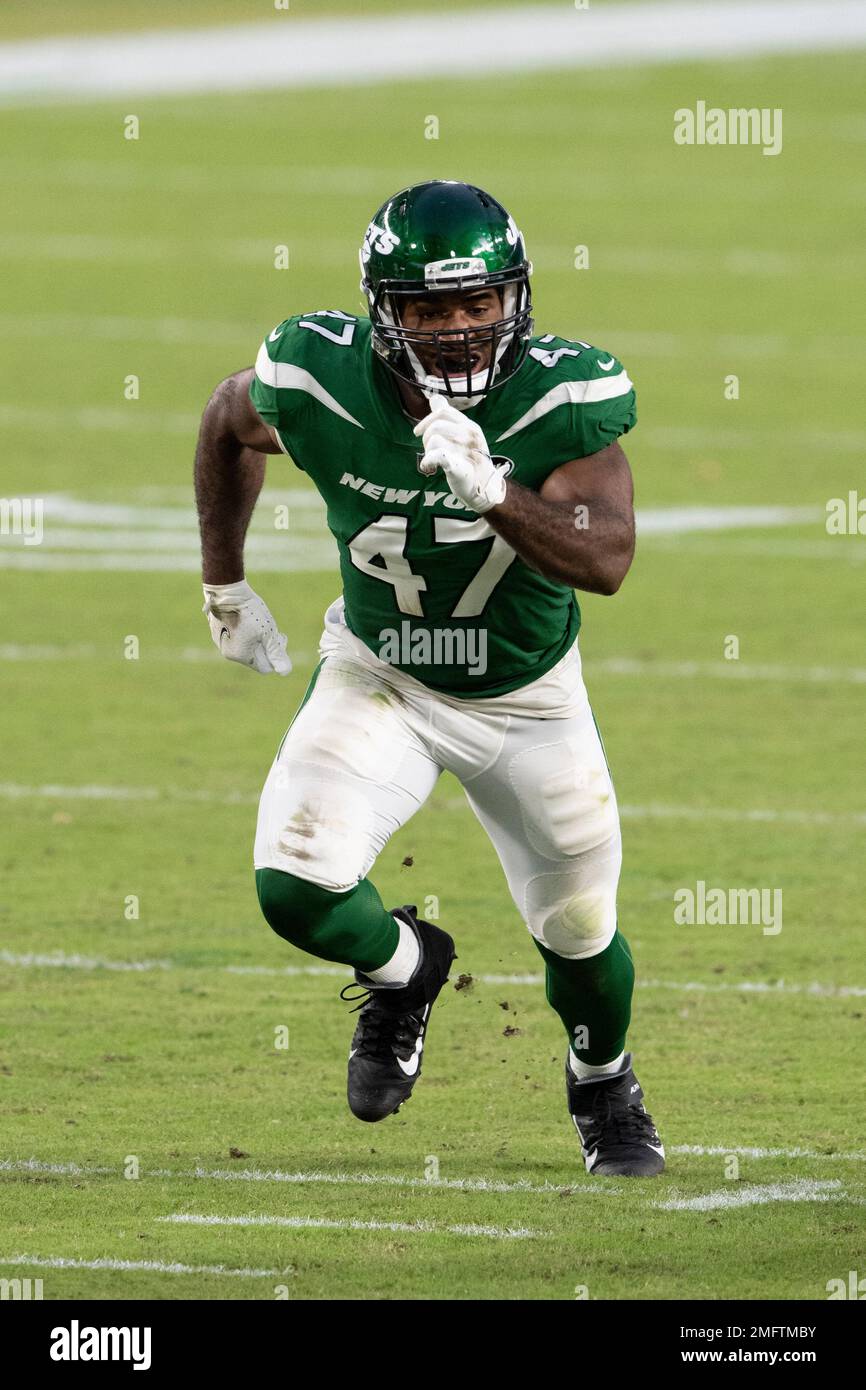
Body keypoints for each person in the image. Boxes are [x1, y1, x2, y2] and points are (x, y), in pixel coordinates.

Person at [194, 180, 664, 1177]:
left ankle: (602, 1079)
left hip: (526, 699)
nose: (455, 329)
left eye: (475, 303)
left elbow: (607, 557)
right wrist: (224, 583)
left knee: (578, 930)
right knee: (295, 884)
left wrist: (493, 490)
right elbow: (226, 419)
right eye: (425, 308)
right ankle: (407, 970)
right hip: (382, 678)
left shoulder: (559, 396)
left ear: (514, 299)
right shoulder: (318, 377)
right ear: (381, 311)